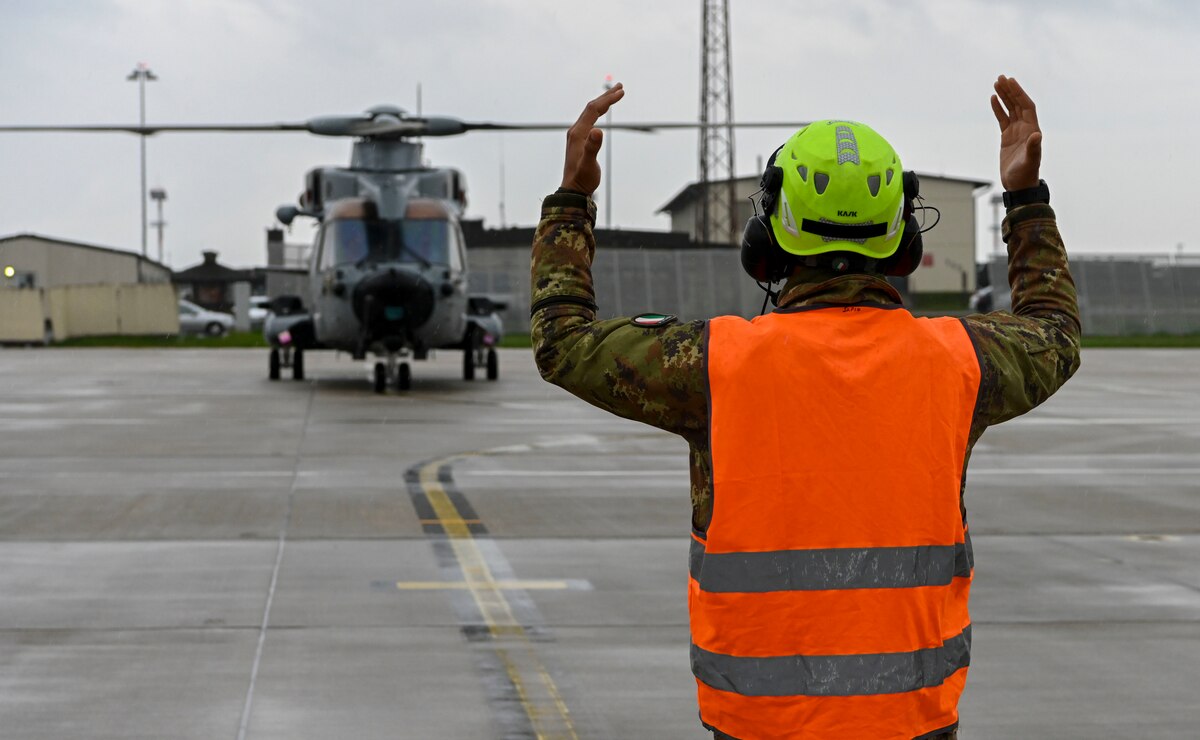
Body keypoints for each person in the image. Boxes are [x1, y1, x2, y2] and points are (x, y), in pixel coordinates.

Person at [530, 76, 1079, 740]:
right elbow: (1056, 334)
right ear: (901, 237)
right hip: (912, 720)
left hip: (759, 724)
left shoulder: (714, 362)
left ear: (771, 235)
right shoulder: (959, 359)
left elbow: (562, 342)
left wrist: (573, 201)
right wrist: (1025, 201)